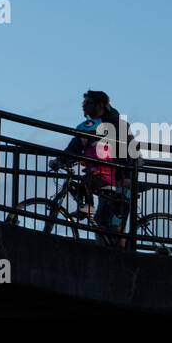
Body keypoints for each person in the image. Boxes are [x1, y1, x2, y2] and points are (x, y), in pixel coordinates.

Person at [49, 90, 131, 239]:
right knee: (101, 223)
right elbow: (74, 147)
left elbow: (129, 151)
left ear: (100, 105)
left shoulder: (116, 124)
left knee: (113, 226)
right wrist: (60, 160)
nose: (83, 106)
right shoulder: (87, 126)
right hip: (102, 175)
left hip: (120, 179)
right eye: (83, 103)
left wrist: (126, 176)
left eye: (88, 103)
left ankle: (122, 256)